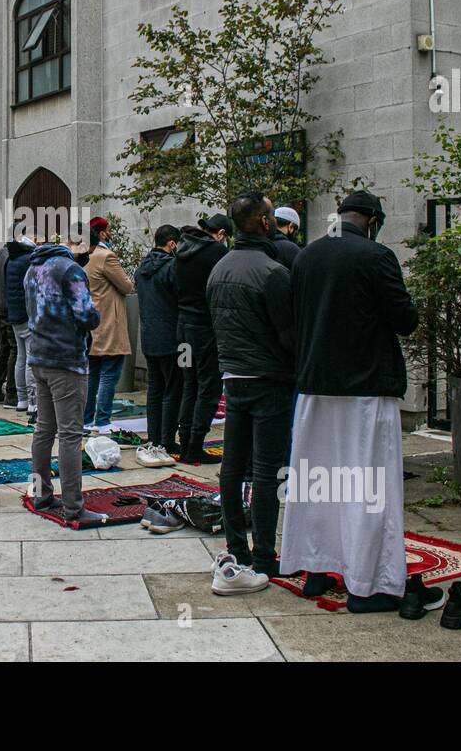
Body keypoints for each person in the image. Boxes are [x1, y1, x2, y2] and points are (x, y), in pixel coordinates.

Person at [279, 190, 420, 613]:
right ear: (373, 220)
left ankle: (315, 571)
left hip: (315, 387)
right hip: (365, 388)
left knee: (317, 483)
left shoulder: (306, 256)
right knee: (368, 486)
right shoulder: (376, 257)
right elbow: (405, 320)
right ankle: (366, 585)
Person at [207, 192, 295, 593]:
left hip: (234, 377)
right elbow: (288, 334)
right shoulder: (273, 272)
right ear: (263, 223)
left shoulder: (219, 268)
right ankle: (263, 557)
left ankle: (236, 547)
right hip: (269, 379)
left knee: (232, 465)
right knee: (266, 470)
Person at [24, 238, 107, 526]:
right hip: (66, 360)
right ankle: (74, 507)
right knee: (71, 434)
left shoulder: (32, 268)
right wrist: (96, 314)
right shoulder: (70, 270)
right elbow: (86, 315)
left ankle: (41, 494)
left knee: (44, 431)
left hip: (38, 357)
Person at [173, 214, 233, 463]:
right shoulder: (217, 252)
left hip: (183, 328)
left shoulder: (182, 247)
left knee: (190, 384)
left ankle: (185, 440)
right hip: (204, 329)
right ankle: (195, 443)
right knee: (208, 387)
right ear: (219, 233)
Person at [134, 224, 182, 466]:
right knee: (173, 389)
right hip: (171, 336)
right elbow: (179, 298)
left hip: (149, 335)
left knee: (155, 389)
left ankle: (154, 437)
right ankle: (168, 439)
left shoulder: (141, 269)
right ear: (172, 244)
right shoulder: (173, 267)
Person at [82, 216, 135, 429]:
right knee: (109, 373)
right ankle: (102, 420)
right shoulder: (105, 256)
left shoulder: (83, 256)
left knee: (93, 373)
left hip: (90, 321)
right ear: (101, 233)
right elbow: (127, 286)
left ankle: (86, 419)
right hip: (108, 322)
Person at [4, 228, 38, 421]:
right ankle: (32, 402)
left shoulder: (12, 259)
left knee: (21, 356)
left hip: (15, 313)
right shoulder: (28, 260)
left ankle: (22, 399)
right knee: (29, 359)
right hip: (26, 314)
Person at [0, 234, 17, 405]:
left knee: (3, 348)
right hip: (9, 307)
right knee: (13, 349)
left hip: (0, 305)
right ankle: (11, 393)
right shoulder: (8, 256)